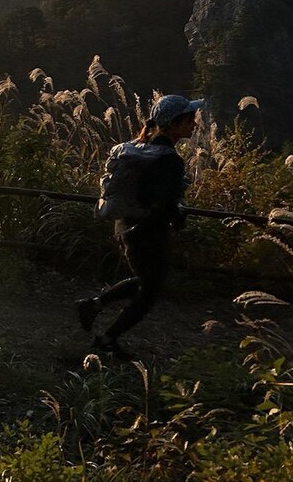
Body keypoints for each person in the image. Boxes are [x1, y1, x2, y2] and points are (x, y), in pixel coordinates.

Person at [77, 93, 203, 357]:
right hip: (147, 231)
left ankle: (94, 306)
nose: (195, 123)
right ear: (174, 124)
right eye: (190, 118)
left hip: (127, 225)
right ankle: (107, 338)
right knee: (150, 291)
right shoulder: (168, 159)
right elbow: (157, 198)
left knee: (149, 281)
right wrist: (176, 216)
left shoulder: (142, 149)